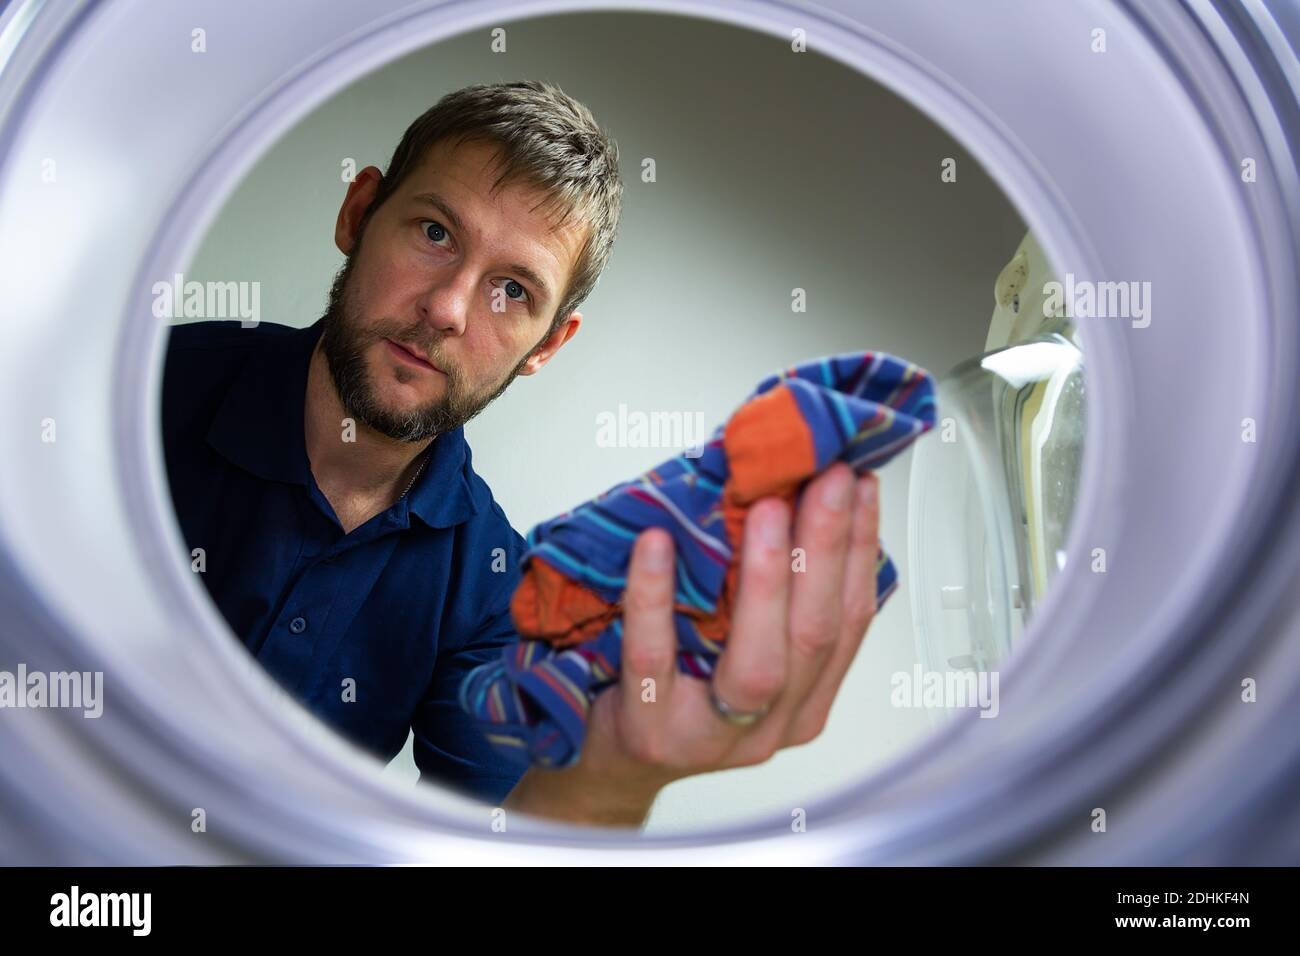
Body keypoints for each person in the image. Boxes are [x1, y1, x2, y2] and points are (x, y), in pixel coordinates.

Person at [161, 80, 883, 828]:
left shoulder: (494, 591)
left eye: (511, 289)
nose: (446, 309)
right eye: (435, 232)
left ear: (548, 345)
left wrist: (616, 775)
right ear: (359, 213)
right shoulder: (137, 391)